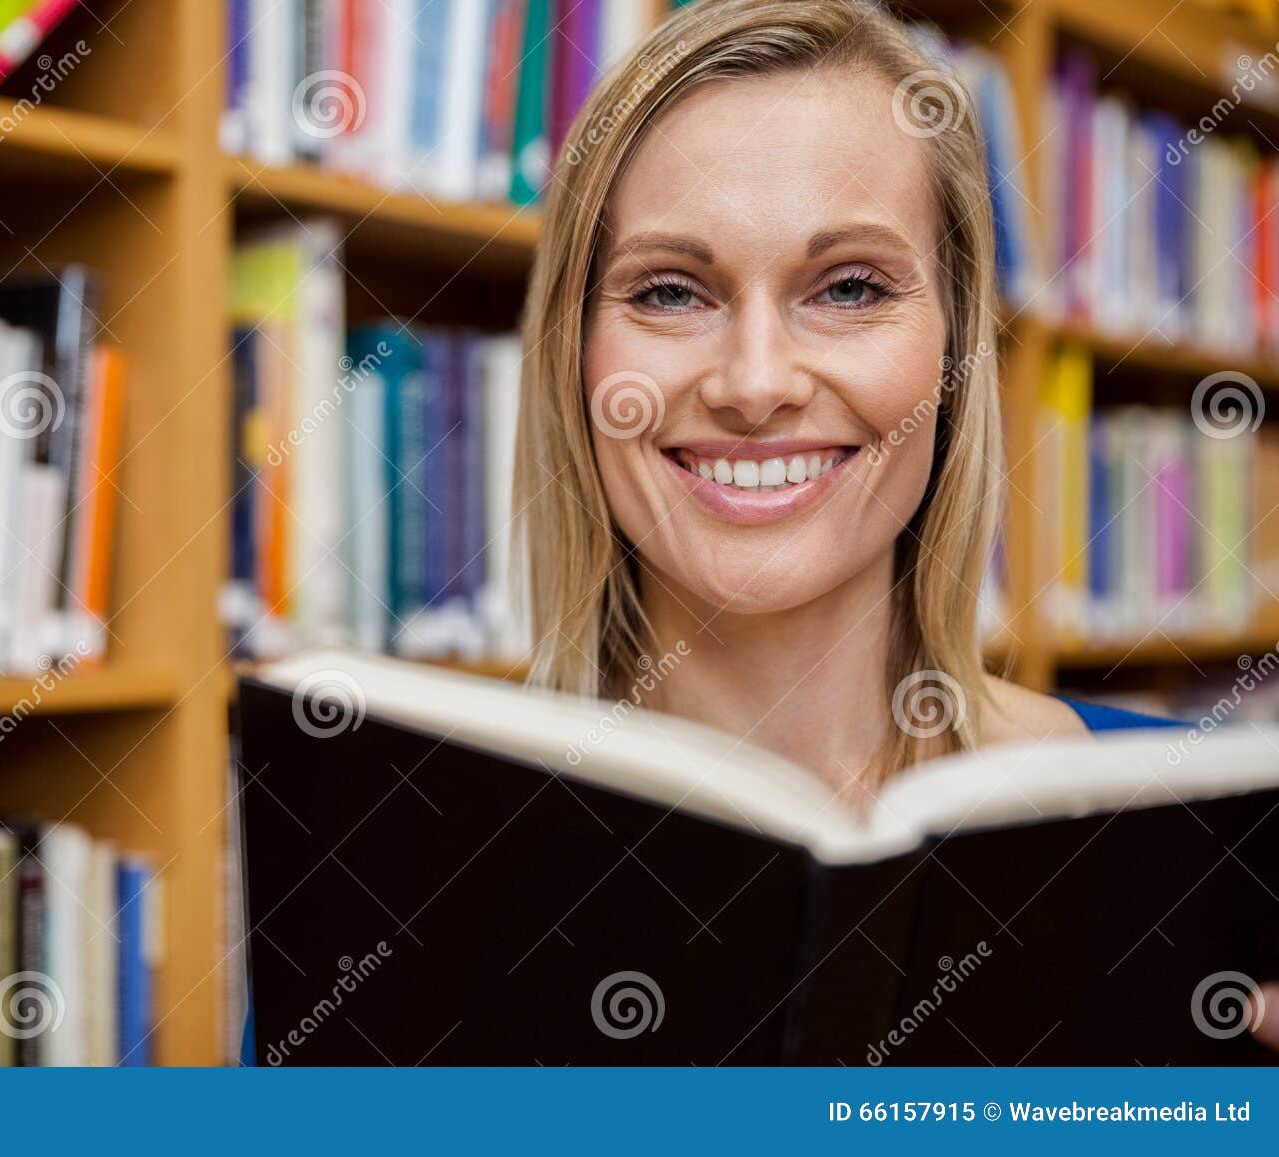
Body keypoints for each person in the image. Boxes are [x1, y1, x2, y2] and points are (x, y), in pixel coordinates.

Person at [510, 0, 1279, 1048]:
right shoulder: (399, 858)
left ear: (957, 355)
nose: (754, 382)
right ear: (573, 355)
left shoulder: (1196, 846)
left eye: (850, 287)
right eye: (672, 291)